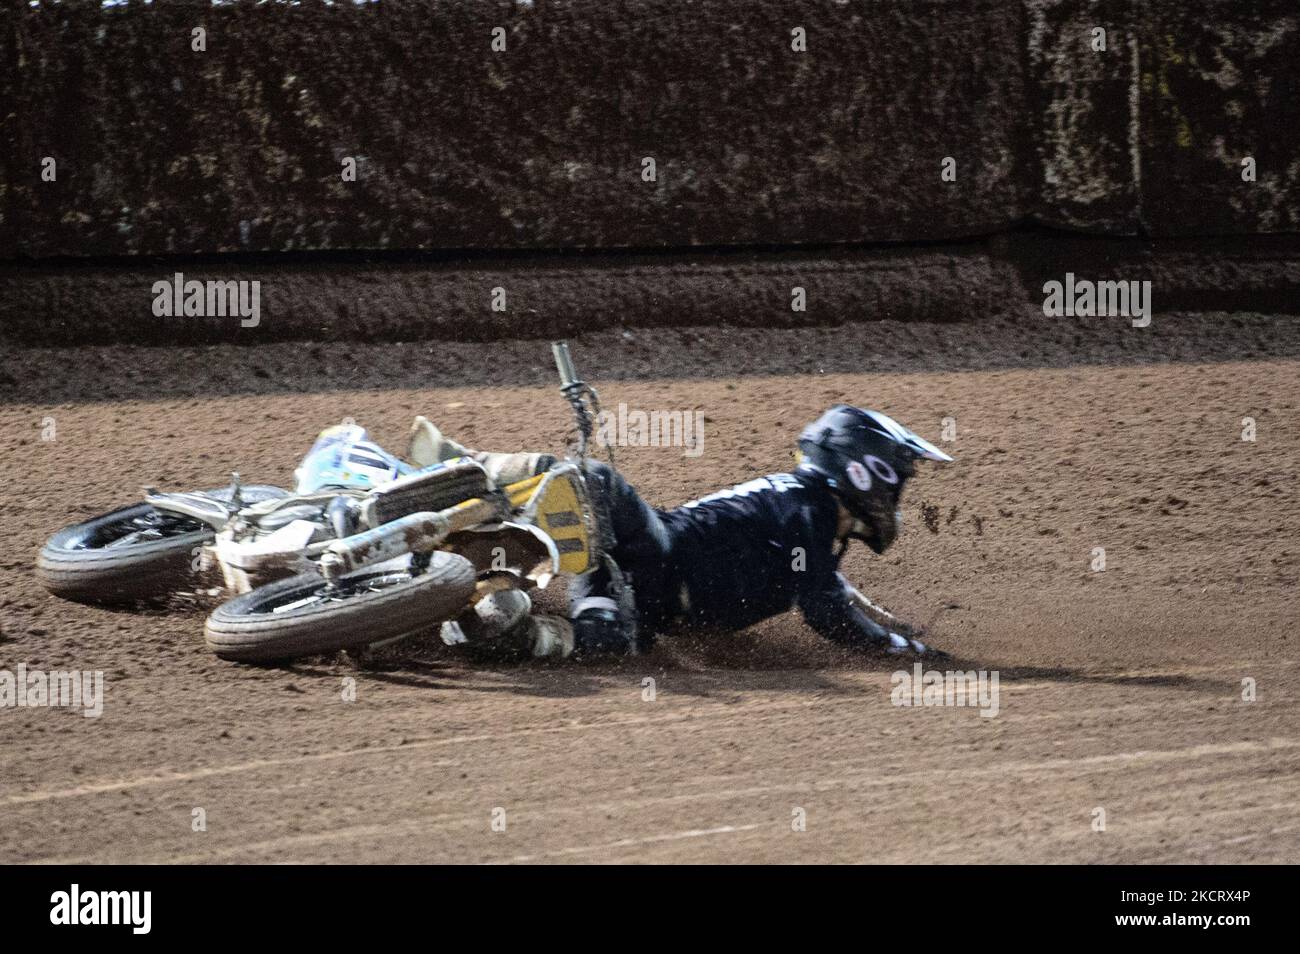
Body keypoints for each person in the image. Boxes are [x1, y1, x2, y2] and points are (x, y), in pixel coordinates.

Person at [412, 404, 953, 660]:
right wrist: (906, 650)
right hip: (651, 549)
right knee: (593, 482)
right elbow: (828, 611)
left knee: (602, 644)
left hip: (635, 588)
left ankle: (486, 618)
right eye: (900, 477)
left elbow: (835, 592)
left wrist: (895, 627)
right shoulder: (807, 510)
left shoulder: (811, 530)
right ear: (865, 470)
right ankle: (467, 468)